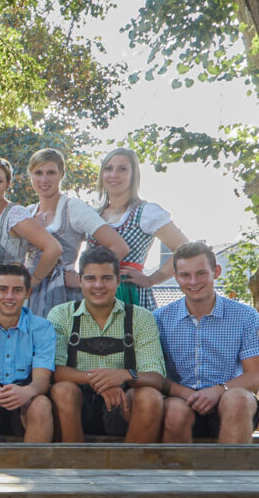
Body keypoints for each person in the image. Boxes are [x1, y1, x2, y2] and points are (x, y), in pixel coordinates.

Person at [47, 246, 168, 443]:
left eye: (106, 278)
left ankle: (133, 467)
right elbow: (55, 370)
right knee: (62, 390)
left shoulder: (141, 317)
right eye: (90, 278)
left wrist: (122, 375)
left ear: (118, 281)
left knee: (150, 397)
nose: (98, 285)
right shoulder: (61, 314)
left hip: (124, 404)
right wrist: (103, 382)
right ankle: (72, 468)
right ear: (79, 281)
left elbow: (156, 378)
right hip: (78, 403)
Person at [156, 241, 259, 443]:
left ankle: (231, 472)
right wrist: (186, 393)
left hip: (228, 395)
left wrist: (218, 390)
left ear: (216, 271)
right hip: (180, 397)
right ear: (176, 277)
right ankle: (174, 474)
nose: (193, 281)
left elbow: (256, 376)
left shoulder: (246, 316)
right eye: (185, 275)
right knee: (174, 412)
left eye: (201, 273)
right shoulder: (158, 318)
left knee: (239, 400)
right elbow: (153, 373)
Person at [23, 148, 129, 316]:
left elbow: (119, 247)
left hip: (61, 295)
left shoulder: (73, 208)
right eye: (38, 173)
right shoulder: (27, 212)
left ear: (61, 174)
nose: (44, 179)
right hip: (28, 292)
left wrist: (84, 278)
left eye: (51, 172)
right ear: (31, 176)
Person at [0, 263, 56, 443]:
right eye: (3, 289)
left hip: (24, 391)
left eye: (17, 290)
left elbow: (42, 380)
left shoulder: (42, 327)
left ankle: (32, 469)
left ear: (27, 293)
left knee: (41, 404)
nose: (9, 296)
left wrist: (27, 391)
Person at [97, 147, 189, 309]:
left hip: (128, 292)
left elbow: (185, 249)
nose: (113, 174)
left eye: (122, 169)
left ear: (134, 175)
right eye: (108, 168)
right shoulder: (94, 214)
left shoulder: (146, 212)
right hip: (95, 293)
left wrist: (152, 279)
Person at [0, 157, 60, 309]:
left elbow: (53, 248)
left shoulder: (14, 214)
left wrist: (29, 283)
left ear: (7, 184)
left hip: (7, 304)